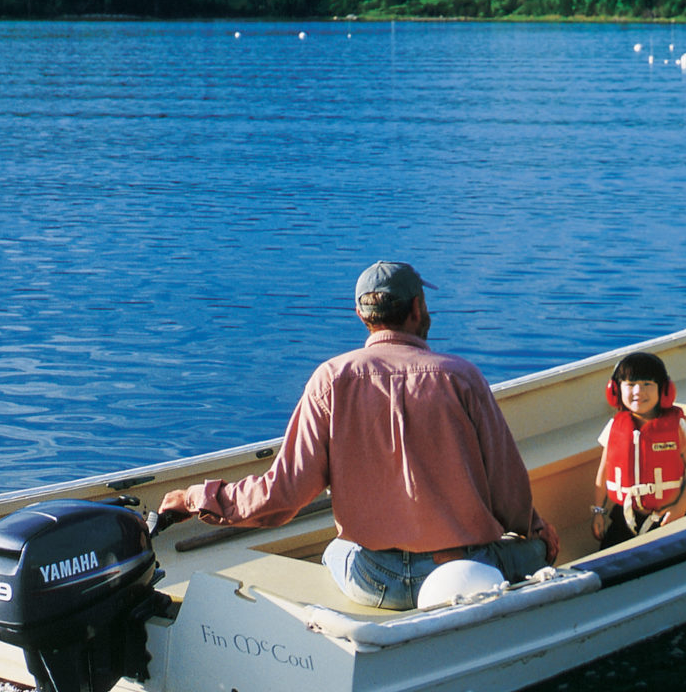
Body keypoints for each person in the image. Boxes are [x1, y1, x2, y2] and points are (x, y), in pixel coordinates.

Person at [159, 261, 559, 610]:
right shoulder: (461, 378)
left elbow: (280, 496)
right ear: (418, 308)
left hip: (375, 581)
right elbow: (509, 491)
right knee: (540, 548)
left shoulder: (330, 380)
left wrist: (195, 498)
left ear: (360, 314)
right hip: (462, 573)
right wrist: (534, 530)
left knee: (337, 549)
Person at [590, 352, 686, 548]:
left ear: (664, 390)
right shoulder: (614, 428)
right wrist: (599, 512)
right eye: (630, 385)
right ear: (616, 390)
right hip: (624, 518)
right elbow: (604, 472)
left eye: (647, 384)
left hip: (667, 517)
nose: (638, 392)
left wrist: (680, 508)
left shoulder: (676, 427)